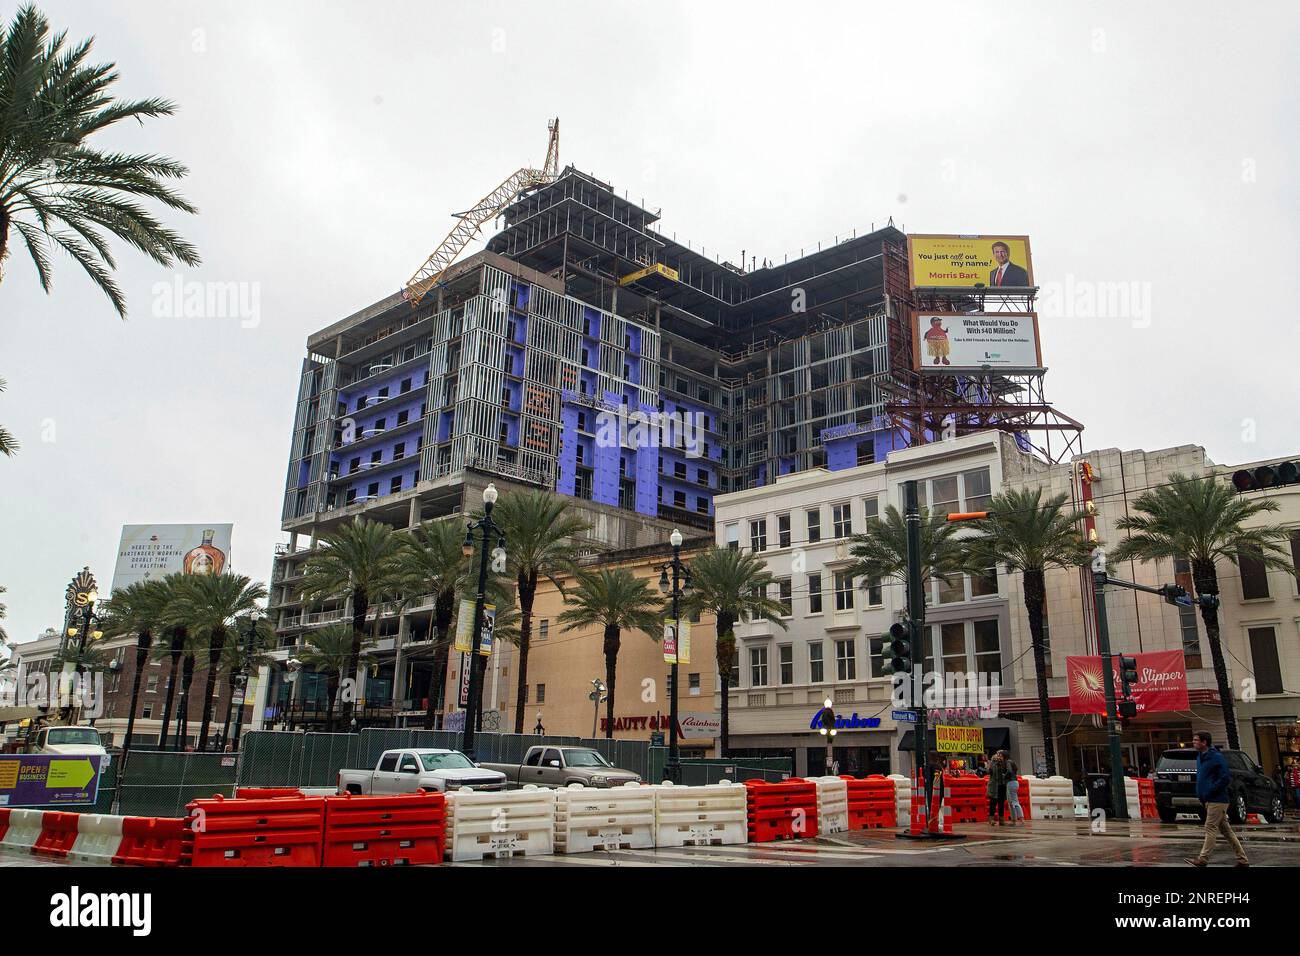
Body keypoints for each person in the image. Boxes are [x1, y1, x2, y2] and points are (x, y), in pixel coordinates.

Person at [1186, 731, 1249, 867]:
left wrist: (1210, 790)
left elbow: (1225, 777)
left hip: (1218, 799)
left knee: (1210, 827)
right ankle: (1242, 860)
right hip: (1207, 799)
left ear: (1204, 742)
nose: (1194, 742)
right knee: (1226, 831)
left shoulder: (1216, 757)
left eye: (1196, 740)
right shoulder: (1200, 757)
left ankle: (1203, 859)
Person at [986, 751, 1011, 826]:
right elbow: (988, 771)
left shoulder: (1005, 763)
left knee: (1001, 803)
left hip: (1002, 785)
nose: (999, 756)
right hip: (994, 786)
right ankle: (991, 819)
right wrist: (995, 763)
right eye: (998, 755)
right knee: (993, 803)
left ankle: (1001, 820)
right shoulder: (993, 762)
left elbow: (1009, 771)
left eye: (1001, 755)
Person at [1003, 751, 1024, 825]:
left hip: (1010, 782)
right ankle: (1015, 819)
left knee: (1013, 801)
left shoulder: (1007, 762)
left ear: (1003, 756)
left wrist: (1004, 776)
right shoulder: (1012, 761)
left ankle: (1020, 818)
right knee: (1012, 802)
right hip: (1015, 782)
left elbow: (1009, 771)